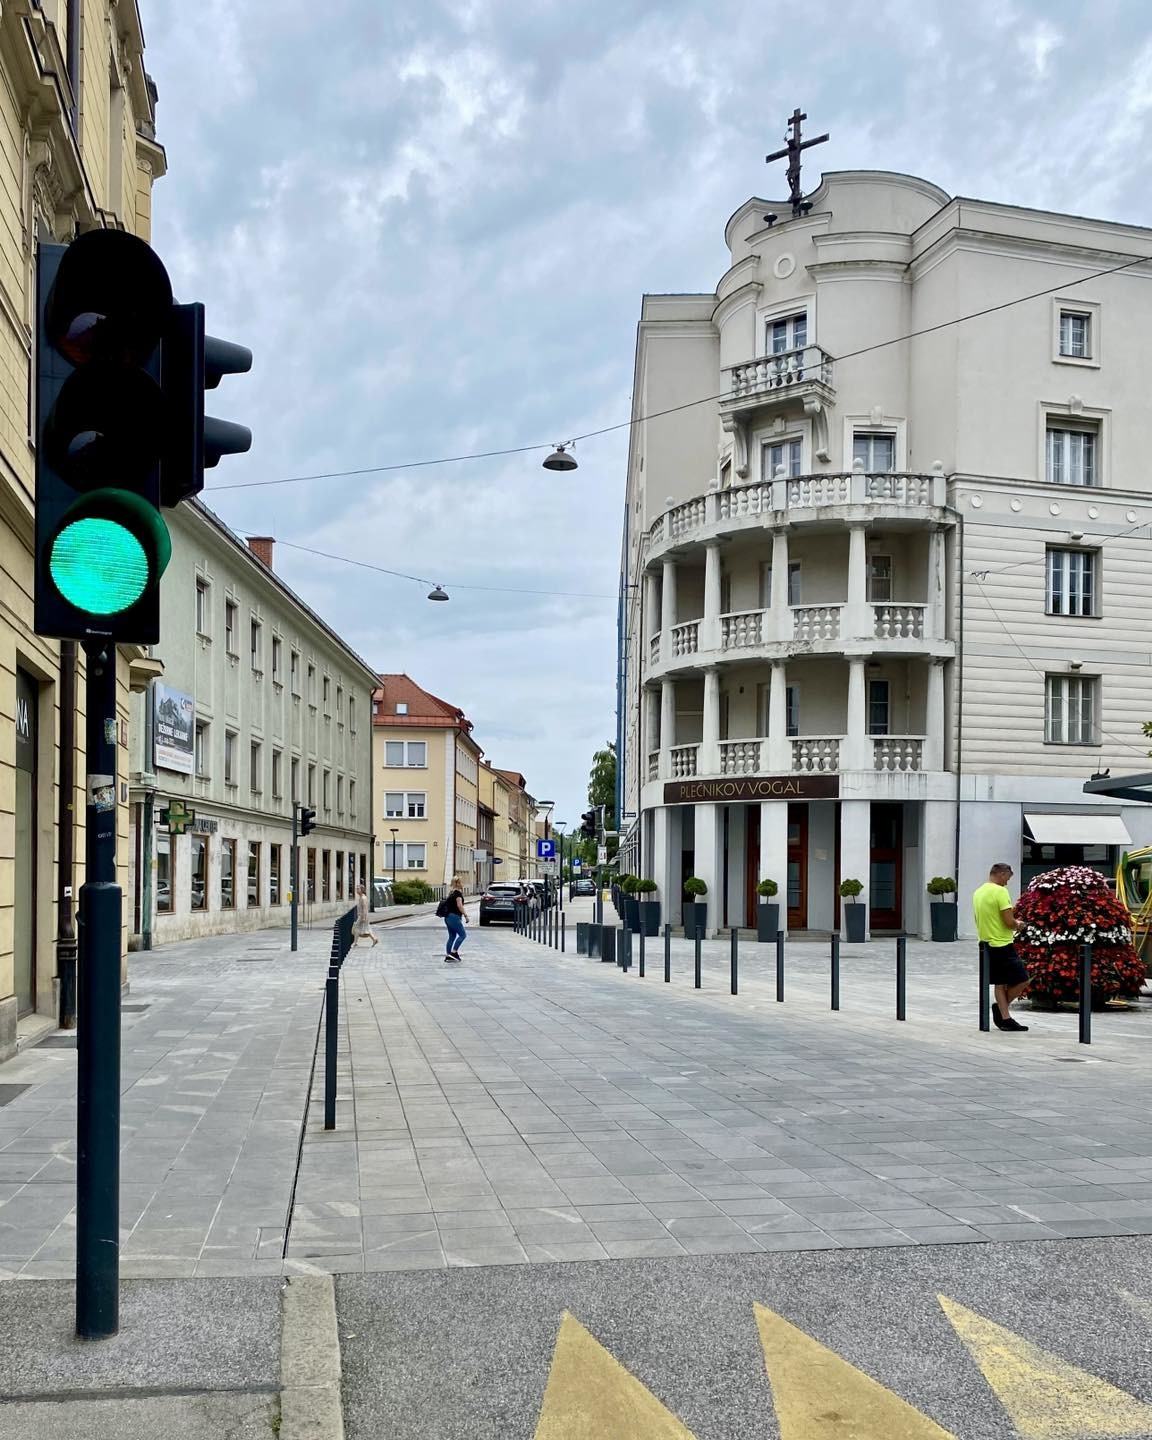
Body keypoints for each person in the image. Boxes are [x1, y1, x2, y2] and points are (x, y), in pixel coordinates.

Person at [972, 862, 1029, 1031]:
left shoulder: (978, 892)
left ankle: (1005, 1018)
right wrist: (1019, 924)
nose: (1007, 883)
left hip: (985, 943)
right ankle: (999, 1008)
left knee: (1000, 982)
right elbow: (1008, 922)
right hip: (1002, 943)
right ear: (1002, 874)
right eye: (1008, 878)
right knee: (1022, 979)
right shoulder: (1000, 892)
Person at [443, 877, 467, 964]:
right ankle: (453, 953)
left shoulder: (451, 893)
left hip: (447, 917)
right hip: (454, 917)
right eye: (461, 882)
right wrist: (465, 915)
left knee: (452, 937)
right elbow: (459, 906)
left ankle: (448, 955)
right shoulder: (458, 894)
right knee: (463, 935)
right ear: (457, 884)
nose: (462, 884)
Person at [352, 882, 378, 947]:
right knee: (366, 929)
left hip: (362, 916)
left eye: (358, 889)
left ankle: (355, 942)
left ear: (362, 890)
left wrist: (363, 918)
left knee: (356, 928)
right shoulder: (362, 897)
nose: (357, 890)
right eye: (356, 889)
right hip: (362, 916)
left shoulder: (363, 898)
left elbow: (364, 908)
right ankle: (374, 939)